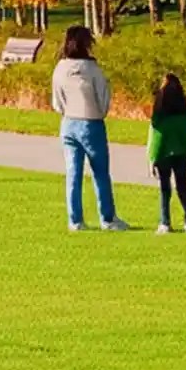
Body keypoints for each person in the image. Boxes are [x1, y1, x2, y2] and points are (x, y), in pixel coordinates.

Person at [52, 26, 129, 232]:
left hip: (68, 122)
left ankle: (75, 220)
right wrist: (98, 113)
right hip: (90, 122)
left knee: (73, 174)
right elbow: (103, 98)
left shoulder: (60, 68)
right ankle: (107, 218)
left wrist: (67, 110)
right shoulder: (92, 69)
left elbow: (57, 101)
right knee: (100, 173)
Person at [149, 74, 186, 234]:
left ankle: (165, 222)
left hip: (164, 154)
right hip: (180, 153)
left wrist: (152, 159)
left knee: (165, 188)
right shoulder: (184, 114)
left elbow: (155, 139)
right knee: (182, 187)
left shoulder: (159, 116)